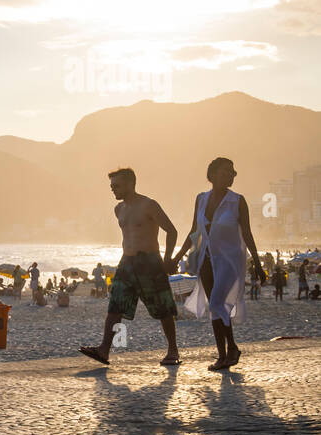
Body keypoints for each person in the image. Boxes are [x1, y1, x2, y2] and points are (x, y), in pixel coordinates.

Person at [169, 157, 267, 371]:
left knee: (215, 303)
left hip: (229, 261)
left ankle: (230, 349)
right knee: (217, 306)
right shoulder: (201, 199)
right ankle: (225, 353)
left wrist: (258, 265)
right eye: (226, 171)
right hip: (206, 258)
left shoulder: (237, 201)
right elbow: (195, 232)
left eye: (232, 172)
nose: (232, 175)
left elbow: (248, 234)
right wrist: (177, 258)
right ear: (212, 174)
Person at [79, 168, 180, 367]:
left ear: (130, 184)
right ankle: (104, 350)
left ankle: (173, 350)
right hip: (127, 261)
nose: (113, 190)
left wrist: (168, 259)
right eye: (111, 186)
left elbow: (172, 231)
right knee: (115, 306)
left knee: (163, 308)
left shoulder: (149, 205)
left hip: (150, 261)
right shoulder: (119, 209)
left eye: (116, 186)